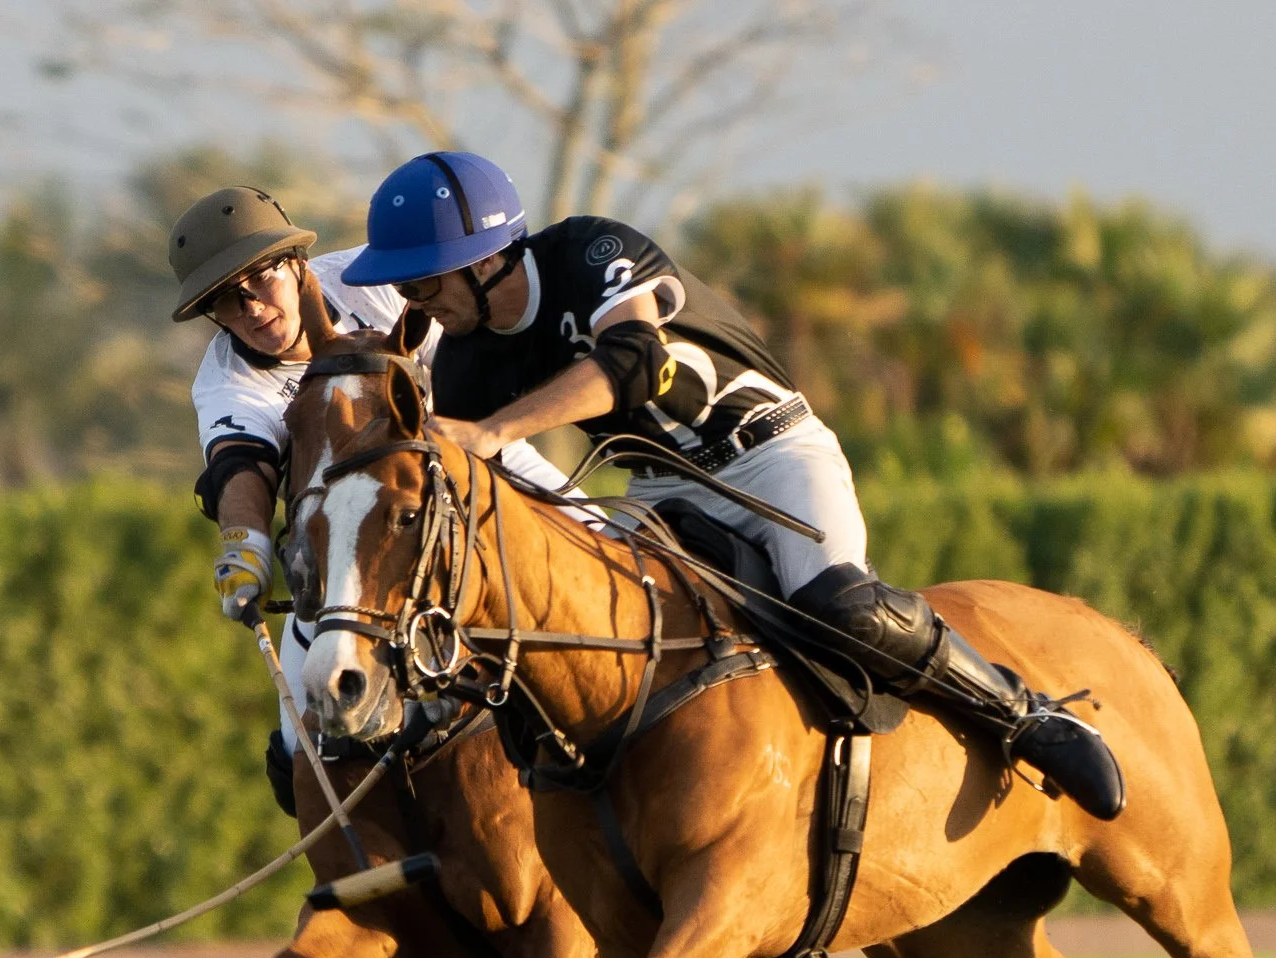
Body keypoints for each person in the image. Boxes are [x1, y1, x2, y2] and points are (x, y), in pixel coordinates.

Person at [339, 153, 1124, 820]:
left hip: (771, 453)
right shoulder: (466, 364)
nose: (416, 302)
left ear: (484, 260)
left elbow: (637, 359)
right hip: (662, 492)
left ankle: (1023, 716)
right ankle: (629, 878)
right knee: (596, 641)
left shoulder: (588, 250)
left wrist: (493, 432)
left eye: (423, 283)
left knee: (840, 605)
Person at [165, 184, 575, 786]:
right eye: (224, 302)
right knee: (297, 742)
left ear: (296, 264)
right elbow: (239, 464)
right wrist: (246, 541)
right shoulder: (225, 382)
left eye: (259, 280)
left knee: (605, 543)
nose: (249, 307)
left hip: (478, 465)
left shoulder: (373, 281)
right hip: (357, 560)